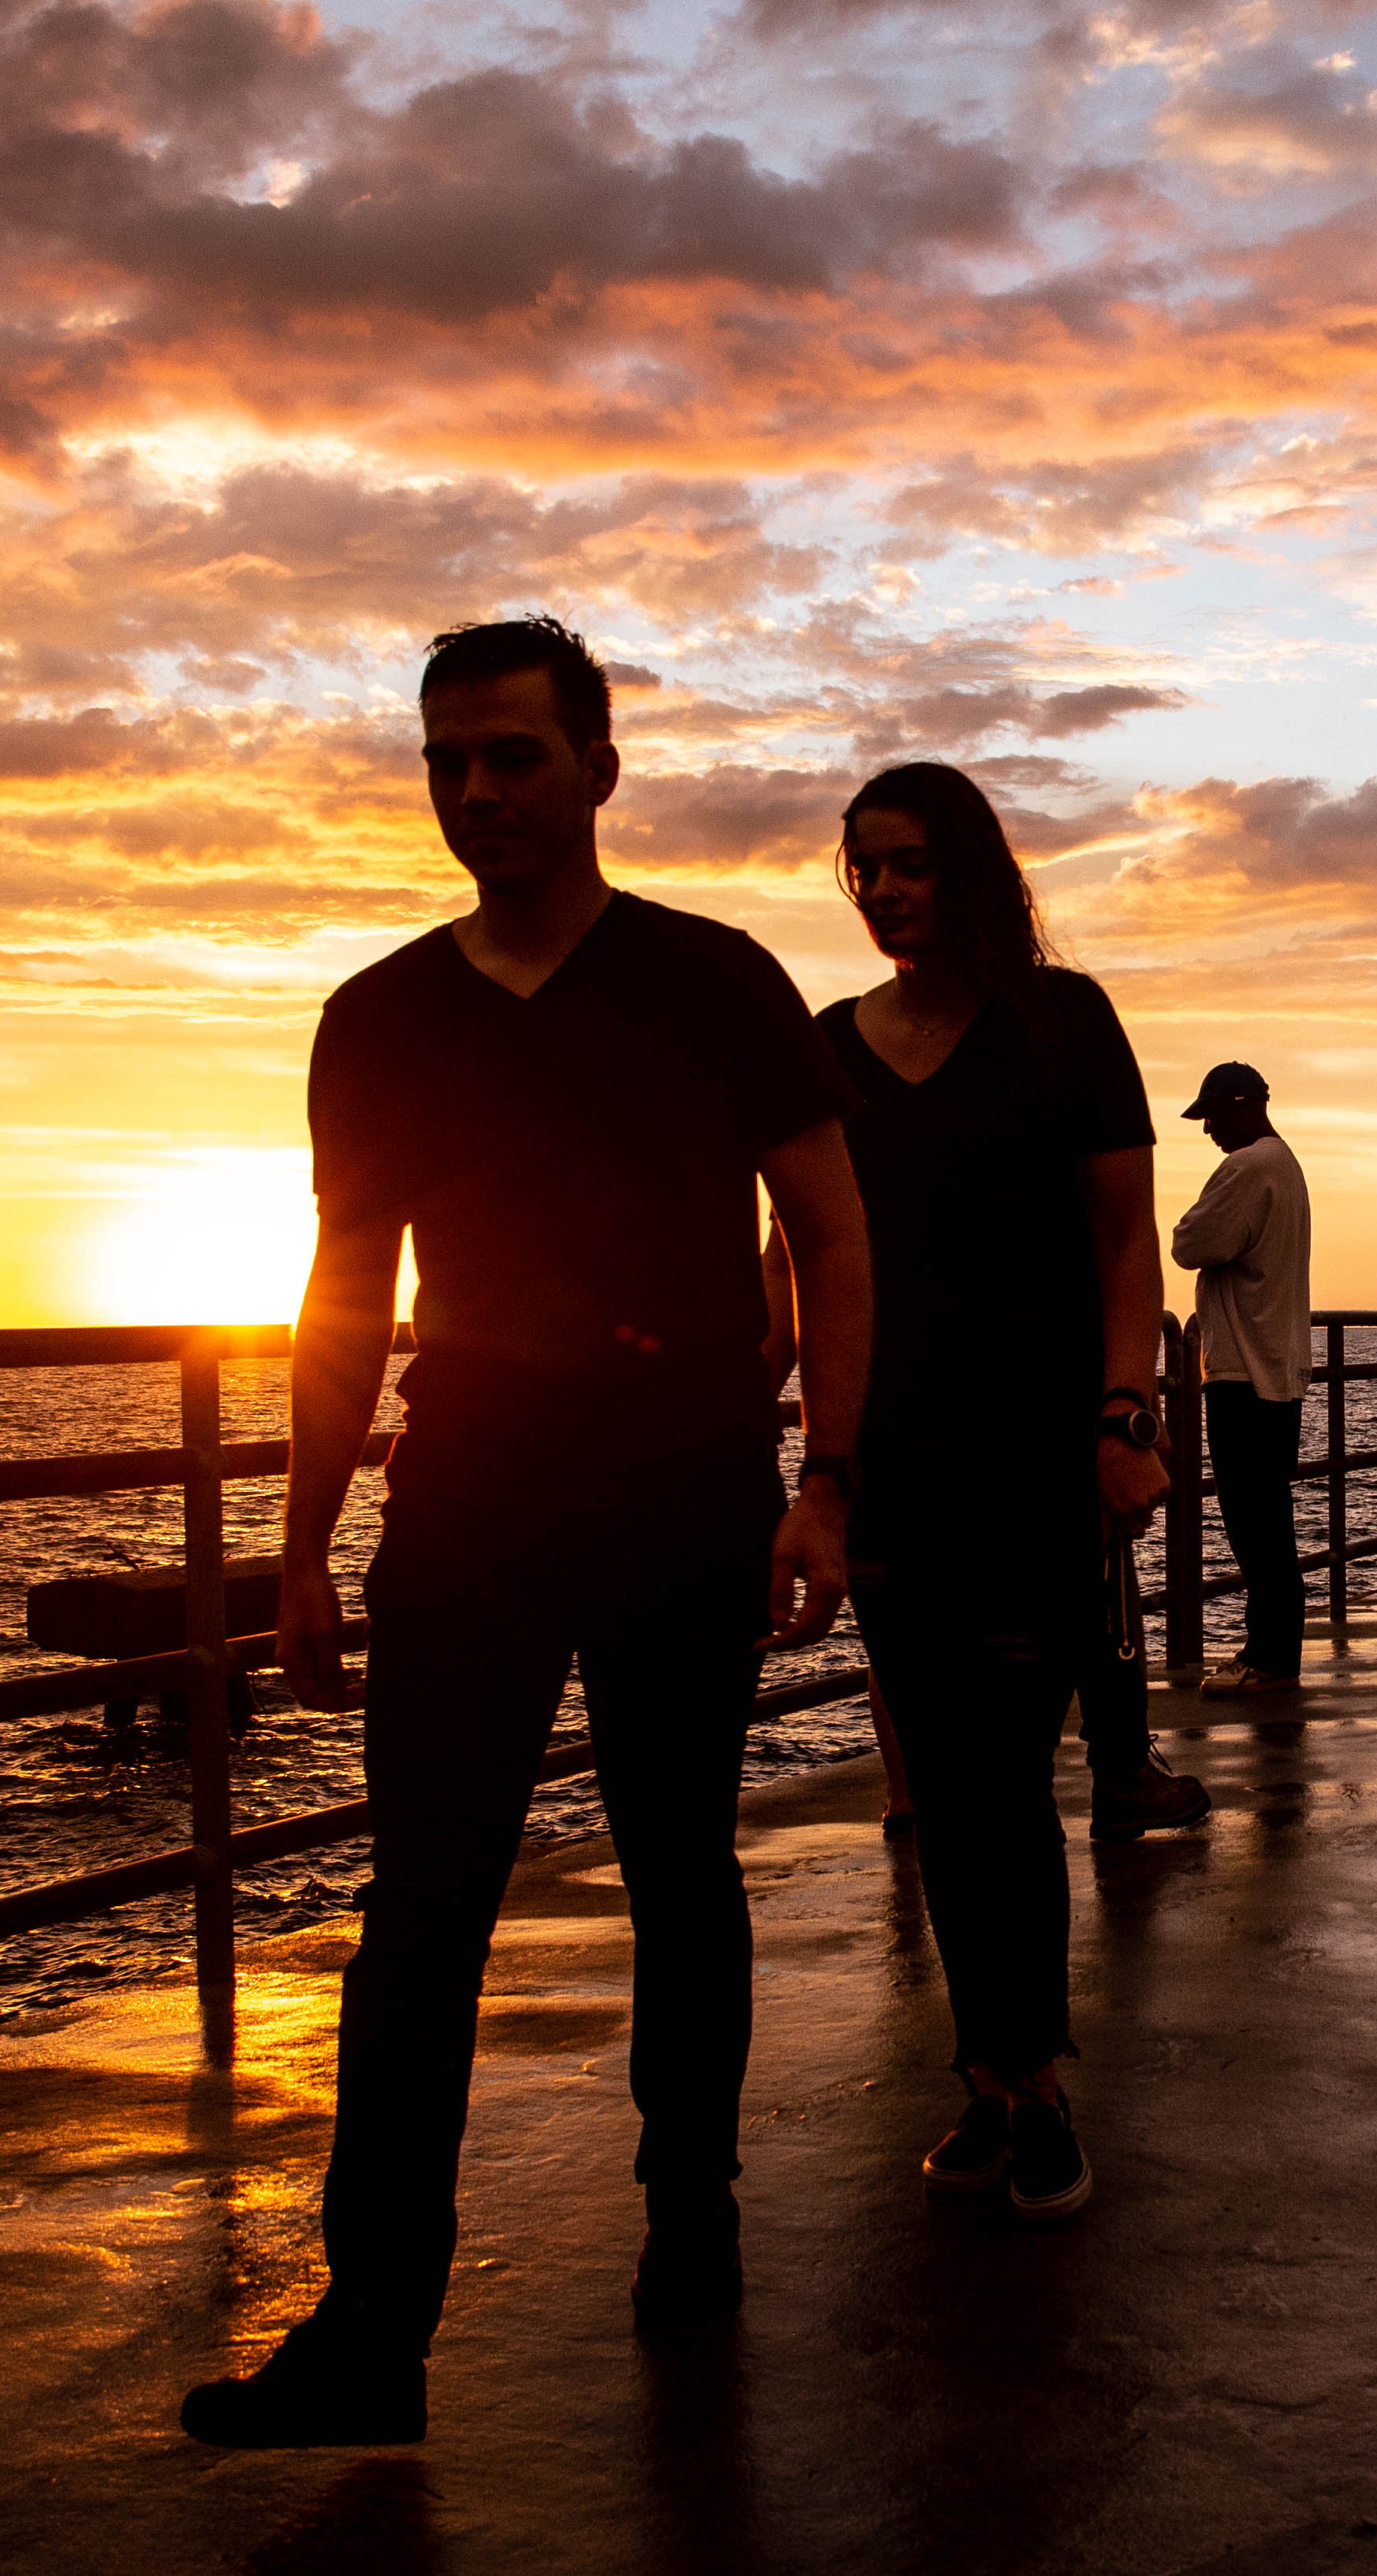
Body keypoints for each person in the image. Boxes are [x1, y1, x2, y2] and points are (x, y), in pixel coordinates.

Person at [183, 616, 871, 2449]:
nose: (472, 788)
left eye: (509, 753)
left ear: (597, 768)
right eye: (443, 760)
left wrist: (825, 1485)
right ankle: (373, 2328)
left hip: (680, 1498)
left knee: (676, 1870)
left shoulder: (714, 985)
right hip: (466, 1507)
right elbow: (342, 1288)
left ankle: (690, 2214)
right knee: (419, 1912)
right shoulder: (378, 1019)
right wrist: (307, 1533)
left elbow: (830, 1237)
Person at [820, 760, 1167, 2224]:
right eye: (864, 868)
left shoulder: (1061, 1023)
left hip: (1037, 1463)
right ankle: (990, 2076)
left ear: (967, 869)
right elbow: (805, 1272)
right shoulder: (829, 1047)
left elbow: (1123, 1244)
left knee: (1008, 1778)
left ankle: (1030, 2084)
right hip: (896, 1465)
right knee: (944, 1792)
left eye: (909, 864)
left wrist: (1123, 1416)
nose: (887, 891)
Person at [766, 1222, 1203, 1840]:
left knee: (905, 1613)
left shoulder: (833, 1143)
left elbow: (793, 1264)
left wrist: (796, 1446)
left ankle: (909, 1795)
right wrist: (1127, 1407)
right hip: (1026, 1408)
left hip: (891, 1419)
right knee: (1085, 1598)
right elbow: (1120, 1238)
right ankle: (1120, 1770)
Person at [1169, 1061, 1310, 1692]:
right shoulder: (1286, 1166)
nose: (1207, 1132)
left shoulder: (1247, 1168)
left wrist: (1190, 1225)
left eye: (1211, 1117)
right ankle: (1269, 1648)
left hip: (1241, 1370)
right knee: (1268, 1517)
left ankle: (1270, 1659)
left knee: (1252, 1523)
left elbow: (1191, 1243)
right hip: (1277, 1366)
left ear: (1236, 1106)